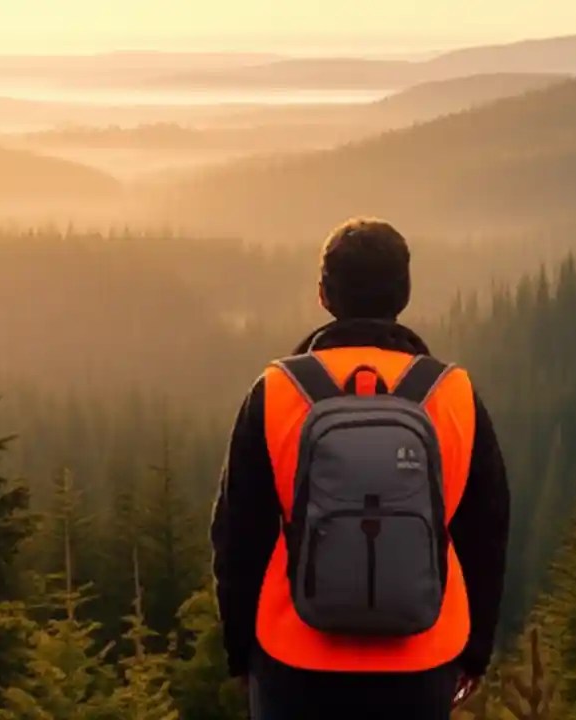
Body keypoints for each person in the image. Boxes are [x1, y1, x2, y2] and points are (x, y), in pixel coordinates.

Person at [211, 217, 511, 720]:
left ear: (324, 295)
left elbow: (237, 536)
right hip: (424, 652)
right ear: (405, 293)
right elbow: (486, 530)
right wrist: (475, 650)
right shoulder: (454, 393)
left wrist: (241, 652)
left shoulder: (276, 392)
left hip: (294, 656)